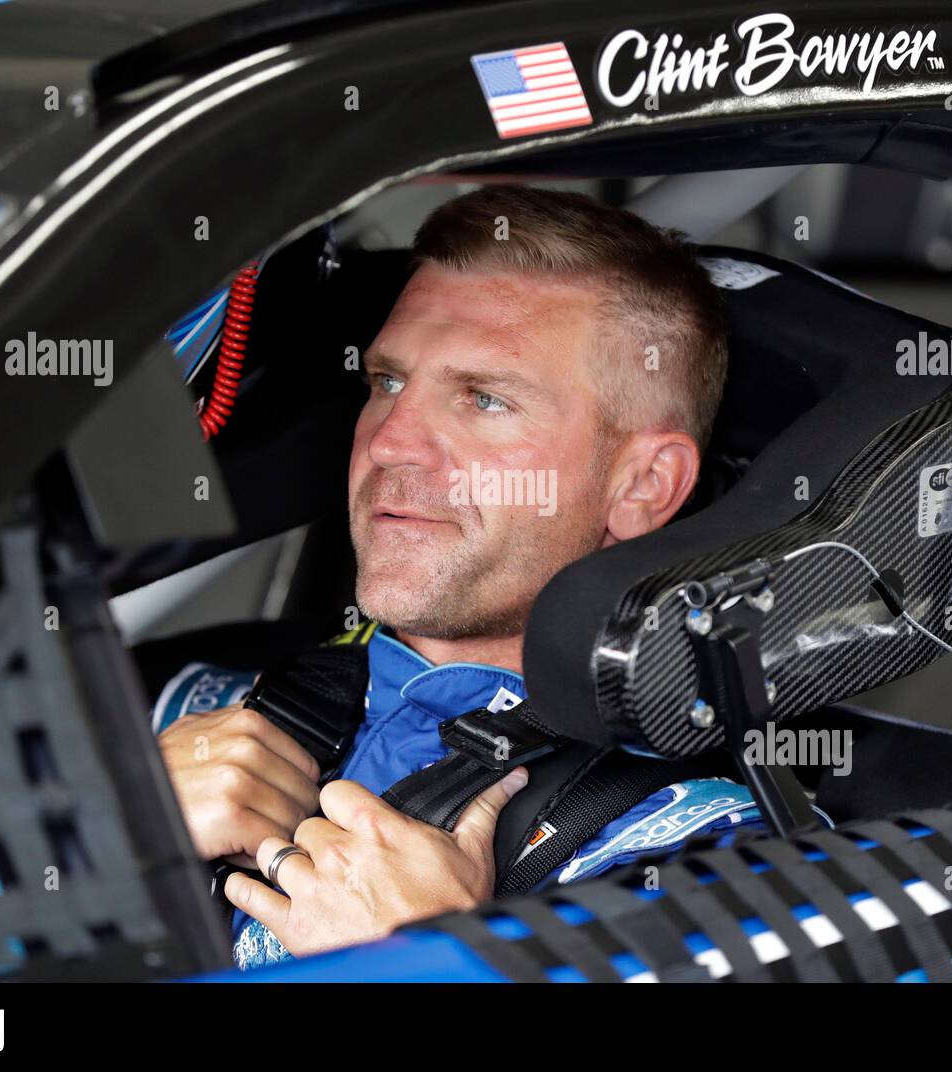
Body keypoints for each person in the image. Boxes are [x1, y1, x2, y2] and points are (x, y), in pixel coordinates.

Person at [153, 184, 827, 971]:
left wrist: (440, 967)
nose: (393, 442)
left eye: (483, 398)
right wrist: (107, 840)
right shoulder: (194, 707)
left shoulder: (698, 863)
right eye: (388, 382)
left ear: (641, 485)